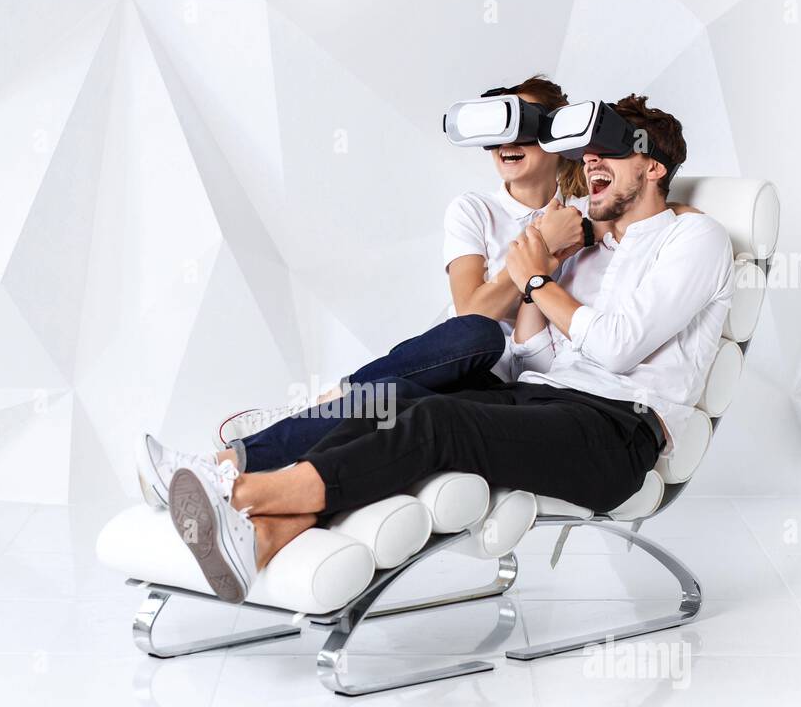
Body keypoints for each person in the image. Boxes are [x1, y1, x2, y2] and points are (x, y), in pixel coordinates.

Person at [144, 94, 735, 604]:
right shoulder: (593, 247)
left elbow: (616, 347)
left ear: (654, 168)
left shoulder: (695, 238)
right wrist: (543, 267)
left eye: (607, 152)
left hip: (618, 433)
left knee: (436, 422)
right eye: (586, 153)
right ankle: (263, 540)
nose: (589, 163)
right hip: (546, 400)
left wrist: (535, 282)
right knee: (392, 400)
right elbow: (537, 360)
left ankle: (237, 495)